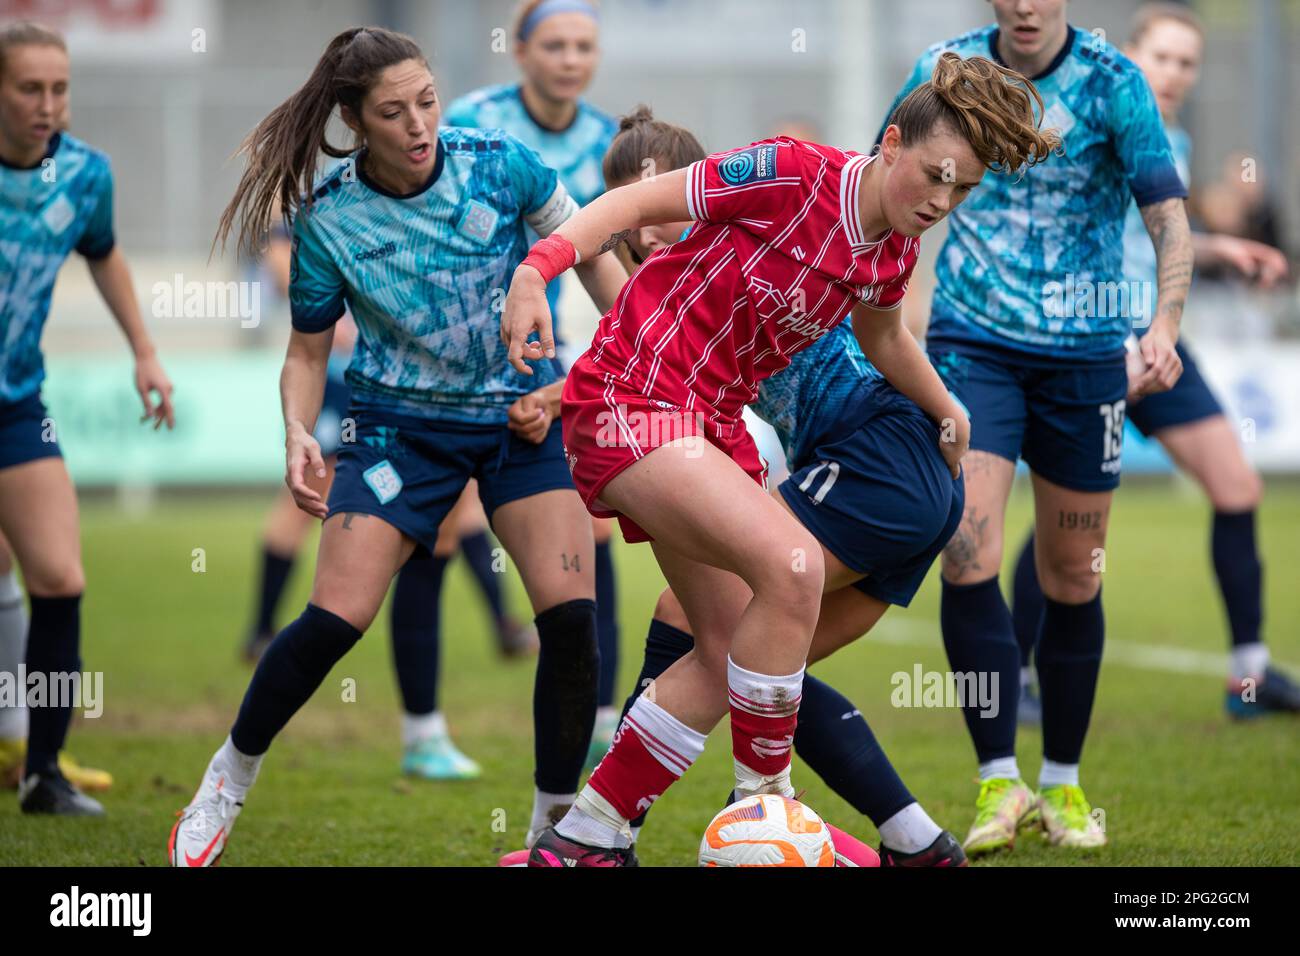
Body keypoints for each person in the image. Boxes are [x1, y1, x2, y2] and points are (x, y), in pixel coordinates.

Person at [502, 53, 1056, 866]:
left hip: (710, 425)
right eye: (936, 175)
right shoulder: (793, 172)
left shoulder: (892, 252)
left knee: (727, 648)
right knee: (791, 567)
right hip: (635, 395)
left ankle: (586, 838)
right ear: (892, 142)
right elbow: (629, 202)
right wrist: (531, 272)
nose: (942, 201)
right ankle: (768, 810)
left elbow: (885, 337)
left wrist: (947, 410)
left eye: (963, 190)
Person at [169, 26, 627, 866]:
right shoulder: (330, 221)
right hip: (396, 434)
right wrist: (299, 431)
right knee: (333, 621)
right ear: (353, 119)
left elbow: (593, 254)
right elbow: (307, 353)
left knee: (572, 624)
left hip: (520, 424)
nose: (418, 125)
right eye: (393, 111)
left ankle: (557, 836)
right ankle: (225, 781)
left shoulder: (500, 161)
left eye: (427, 101)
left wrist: (611, 355)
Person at [560, 108, 971, 866]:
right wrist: (565, 253)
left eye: (660, 204)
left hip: (877, 448)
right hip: (893, 466)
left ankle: (746, 809)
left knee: (754, 617)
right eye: (633, 216)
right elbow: (634, 315)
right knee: (754, 656)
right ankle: (908, 840)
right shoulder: (681, 276)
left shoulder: (758, 218)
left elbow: (879, 332)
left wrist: (950, 411)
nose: (650, 229)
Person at [883, 0, 1194, 855]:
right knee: (966, 553)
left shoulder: (1113, 80)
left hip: (1088, 353)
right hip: (972, 343)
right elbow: (888, 181)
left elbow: (1166, 214)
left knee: (1073, 576)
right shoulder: (942, 70)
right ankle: (997, 782)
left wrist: (1163, 323)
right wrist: (887, 321)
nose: (1024, 5)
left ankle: (1062, 783)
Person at [1011, 2, 1298, 725]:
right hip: (1093, 344)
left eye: (1186, 63)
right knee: (1065, 523)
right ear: (1127, 54)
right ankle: (1010, 677)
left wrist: (1221, 247)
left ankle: (1249, 677)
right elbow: (1042, 206)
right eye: (1161, 57)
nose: (1173, 73)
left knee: (1236, 486)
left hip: (1161, 343)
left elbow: (1157, 233)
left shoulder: (1175, 139)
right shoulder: (1084, 116)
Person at [0, 21, 176, 815]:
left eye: (59, 89)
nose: (47, 105)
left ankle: (43, 772)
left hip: (16, 404)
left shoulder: (84, 175)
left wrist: (144, 350)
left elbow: (102, 250)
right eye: (29, 89)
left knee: (60, 578)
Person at [444, 0, 626, 763]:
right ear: (519, 52)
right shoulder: (469, 121)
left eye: (584, 45)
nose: (570, 59)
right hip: (459, 354)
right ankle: (423, 730)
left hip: (553, 353)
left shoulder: (608, 139)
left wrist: (588, 368)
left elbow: (622, 254)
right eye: (554, 44)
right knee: (438, 532)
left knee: (593, 527)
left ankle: (606, 718)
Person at [238, 221, 483, 780]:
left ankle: (432, 716)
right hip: (351, 386)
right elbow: (283, 269)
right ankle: (261, 630)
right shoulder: (322, 205)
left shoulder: (401, 197)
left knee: (449, 520)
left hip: (407, 393)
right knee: (308, 504)